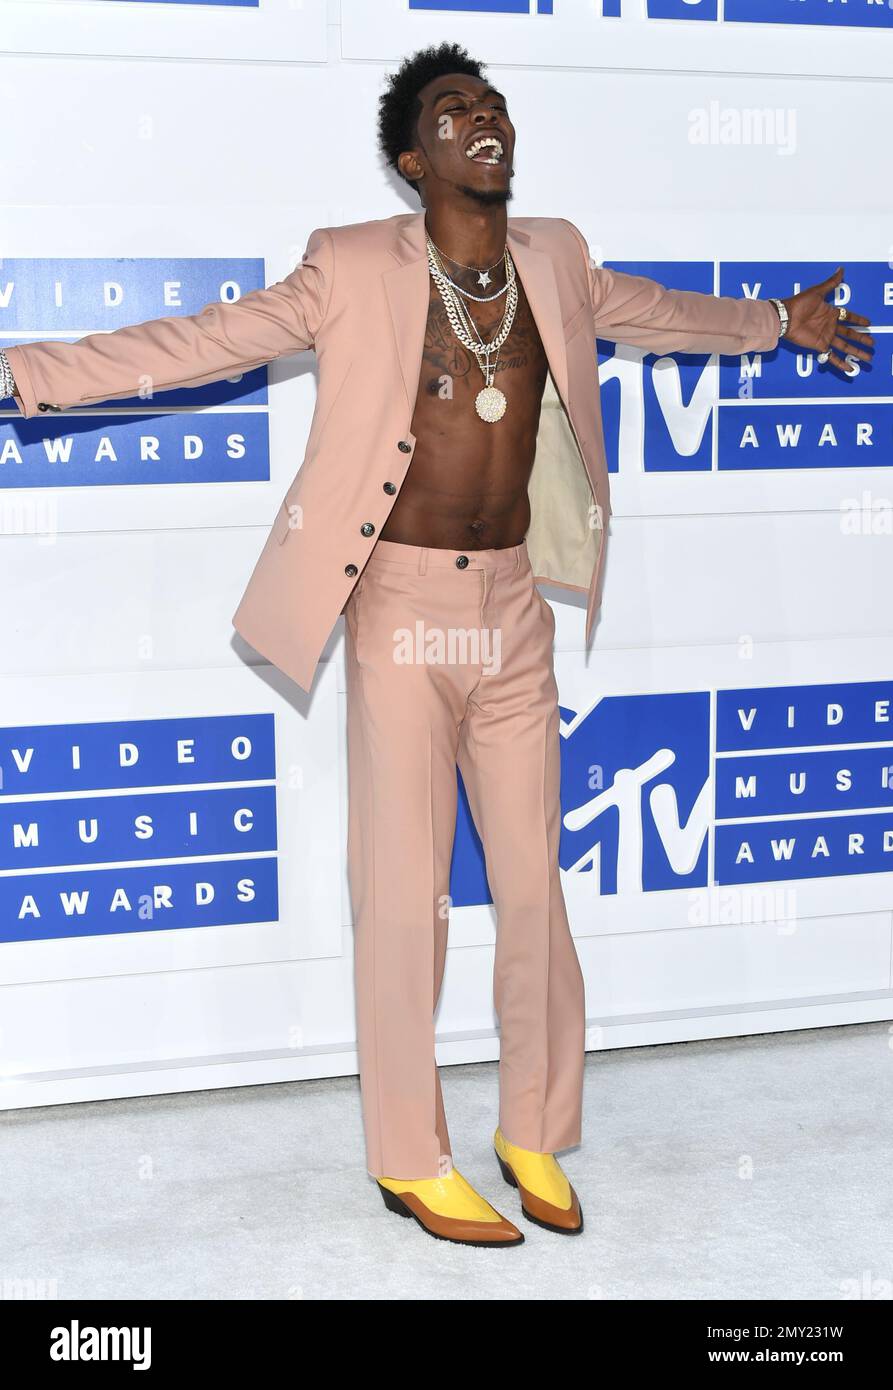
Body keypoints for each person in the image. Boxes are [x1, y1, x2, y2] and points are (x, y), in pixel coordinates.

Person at [2, 42, 873, 1250]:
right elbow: (200, 342)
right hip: (397, 610)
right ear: (416, 161)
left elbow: (661, 312)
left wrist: (779, 320)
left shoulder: (554, 260)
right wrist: (24, 373)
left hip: (514, 608)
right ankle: (408, 1157)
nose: (483, 119)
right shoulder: (350, 267)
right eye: (453, 111)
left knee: (531, 886)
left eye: (492, 103)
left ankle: (531, 1129)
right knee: (404, 895)